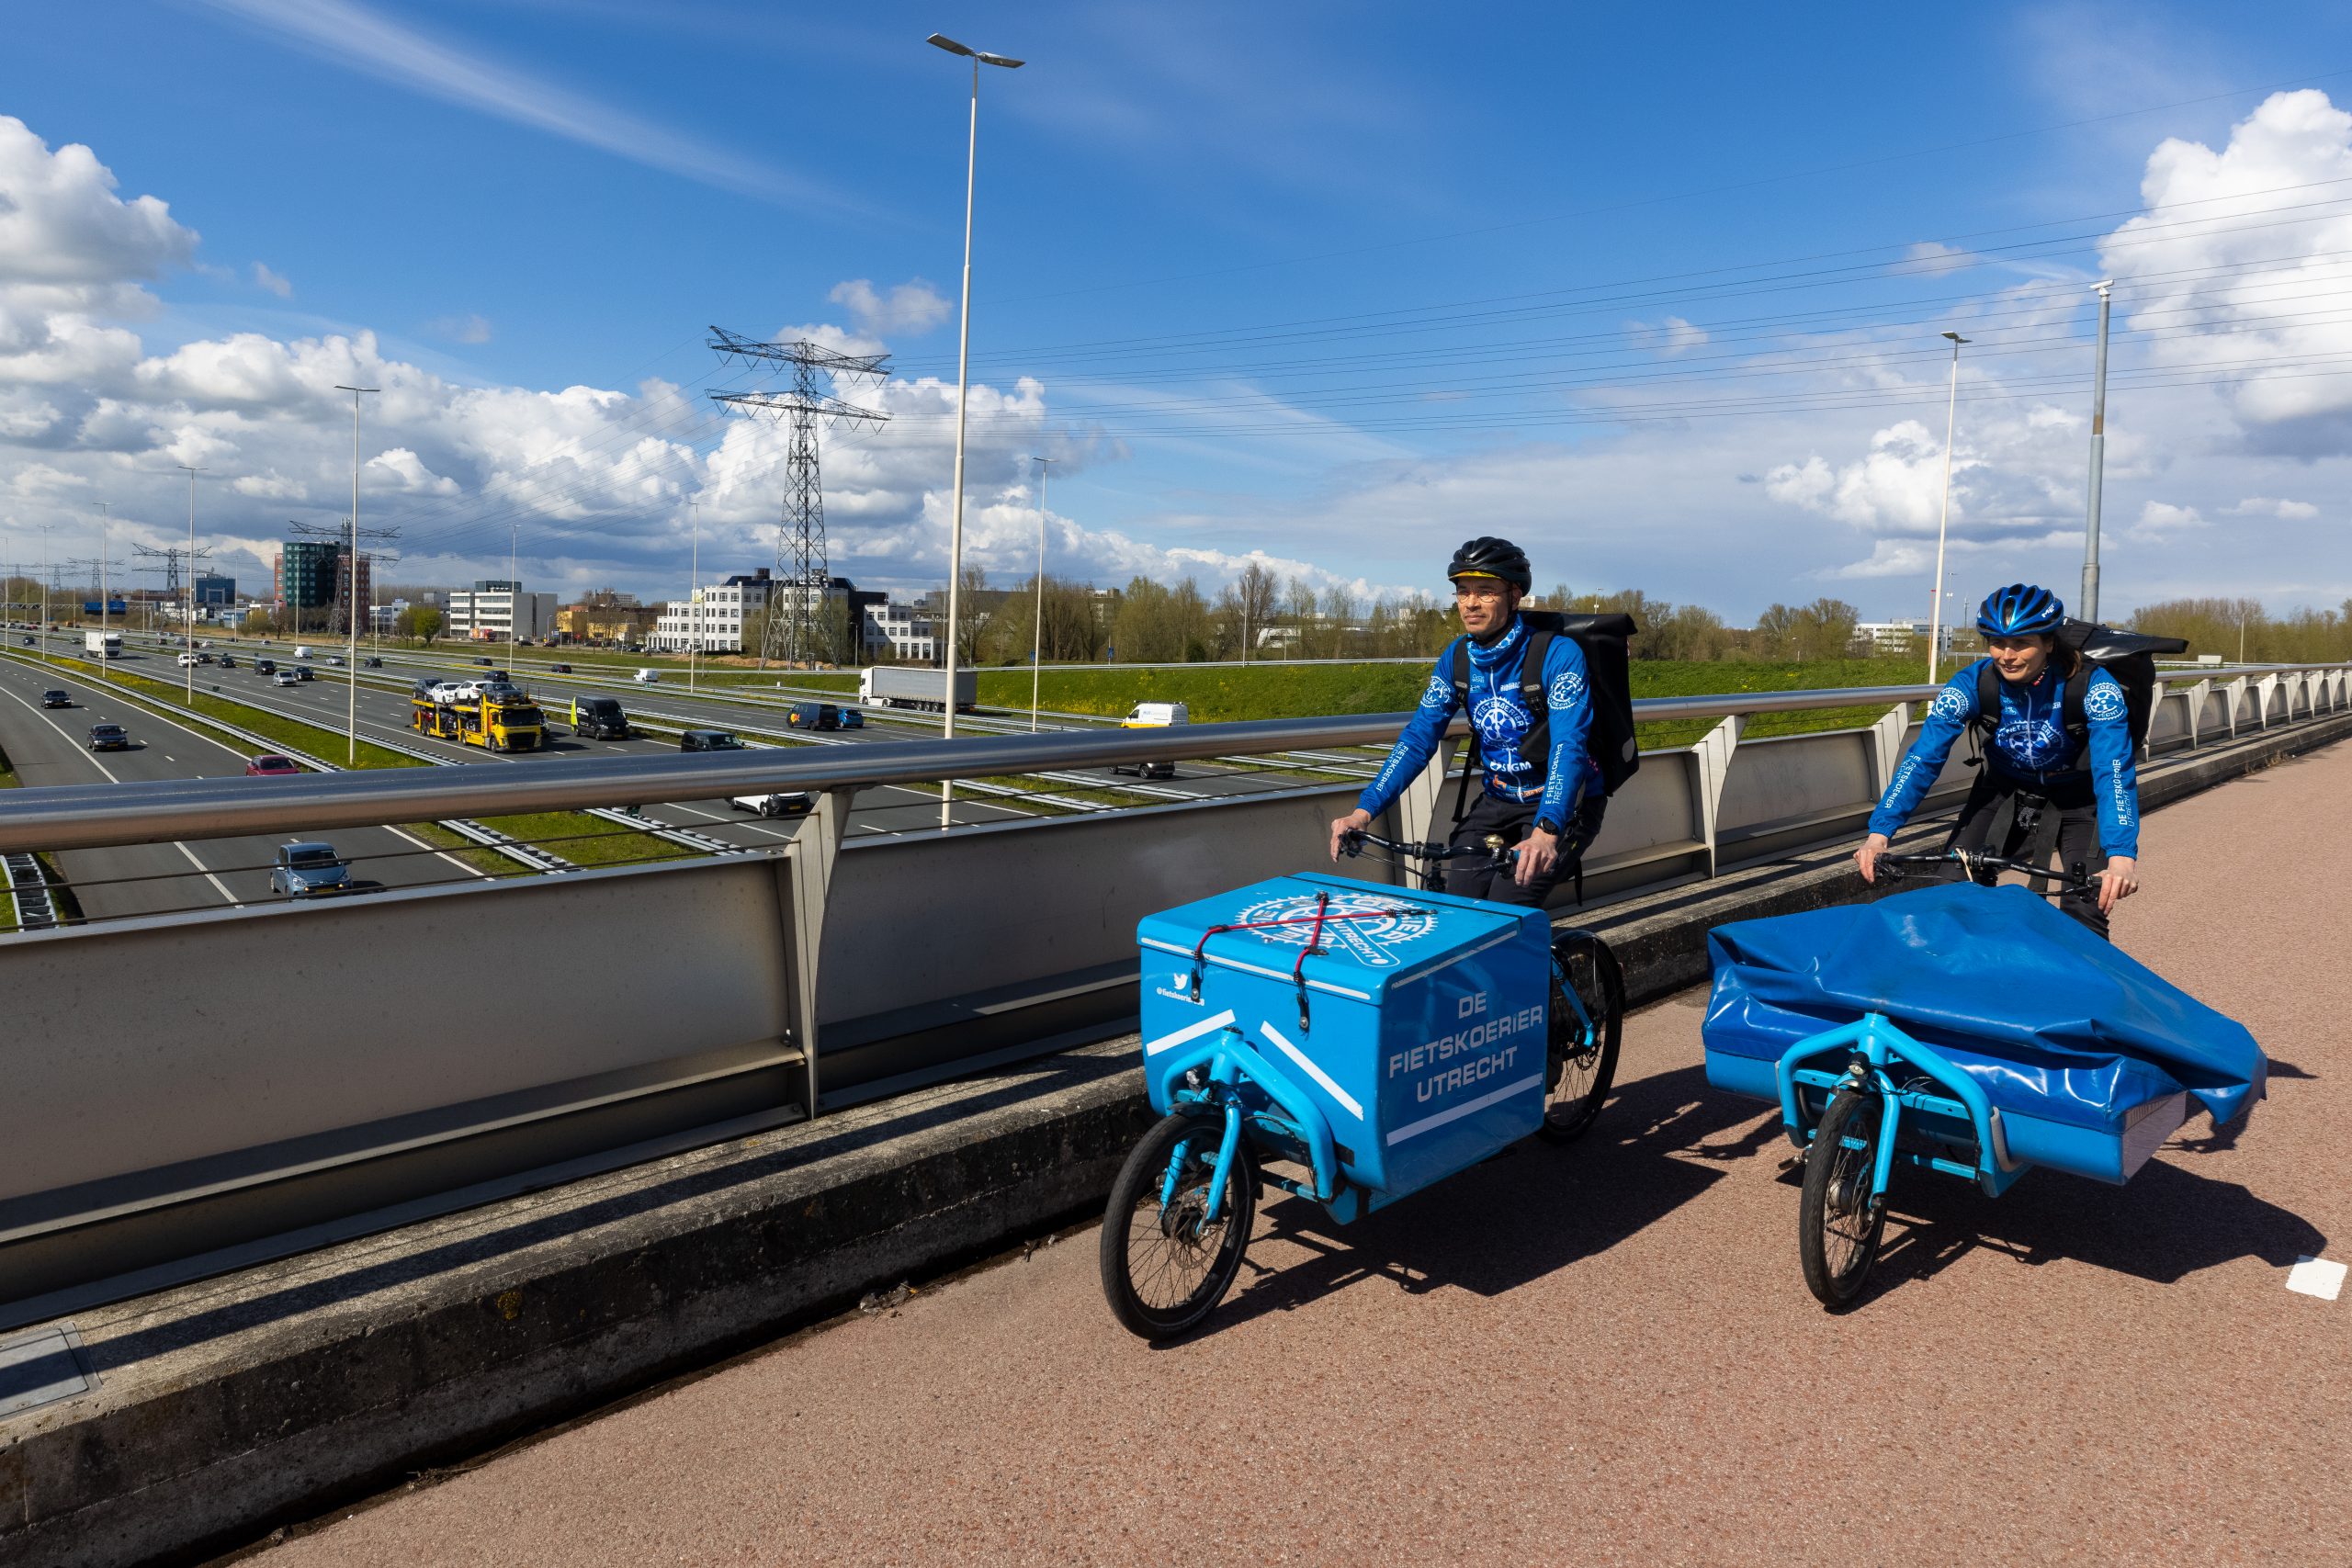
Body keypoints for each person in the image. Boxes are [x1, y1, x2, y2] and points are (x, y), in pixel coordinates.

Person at [1328, 536, 1604, 906]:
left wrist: (1546, 830)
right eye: (1463, 592)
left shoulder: (1557, 654)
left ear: (1514, 595)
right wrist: (1364, 811)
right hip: (1498, 797)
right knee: (1454, 904)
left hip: (1564, 803)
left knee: (1506, 908)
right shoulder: (1457, 659)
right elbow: (1419, 737)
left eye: (1486, 591)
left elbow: (1568, 745)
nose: (1471, 603)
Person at [1854, 582, 2141, 937]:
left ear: (2049, 643)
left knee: (2085, 910)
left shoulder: (2095, 688)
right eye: (1997, 642)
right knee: (1952, 895)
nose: (2007, 655)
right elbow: (1924, 758)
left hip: (2080, 802)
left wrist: (2122, 855)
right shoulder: (1970, 685)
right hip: (2003, 793)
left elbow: (2113, 772)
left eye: (2022, 643)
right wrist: (1880, 833)